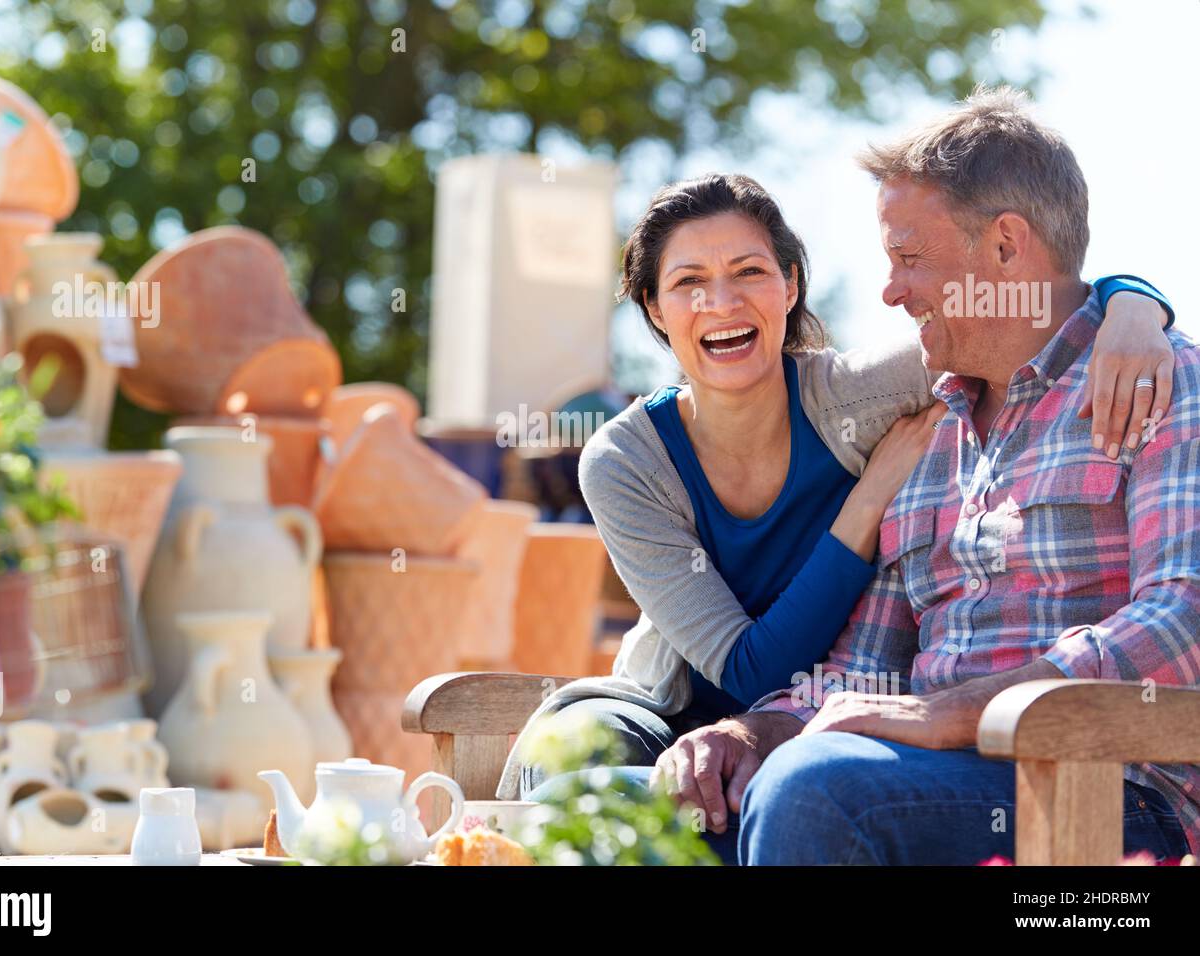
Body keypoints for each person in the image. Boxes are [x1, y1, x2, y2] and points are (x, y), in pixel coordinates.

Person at [496, 157, 1177, 810]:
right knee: (575, 771)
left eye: (749, 271)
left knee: (793, 793)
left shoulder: (862, 393)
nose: (721, 301)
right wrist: (866, 502)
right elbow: (747, 670)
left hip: (816, 717)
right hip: (673, 705)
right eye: (688, 282)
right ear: (653, 308)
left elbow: (1023, 317)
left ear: (790, 286)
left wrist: (1134, 305)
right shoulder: (625, 461)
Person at [645, 86, 1199, 865]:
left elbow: (1185, 619)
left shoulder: (1160, 384)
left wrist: (957, 713)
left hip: (1110, 798)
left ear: (1007, 247)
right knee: (663, 816)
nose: (890, 290)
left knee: (816, 790)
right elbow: (865, 663)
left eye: (909, 259)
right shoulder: (929, 432)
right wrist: (752, 731)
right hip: (921, 777)